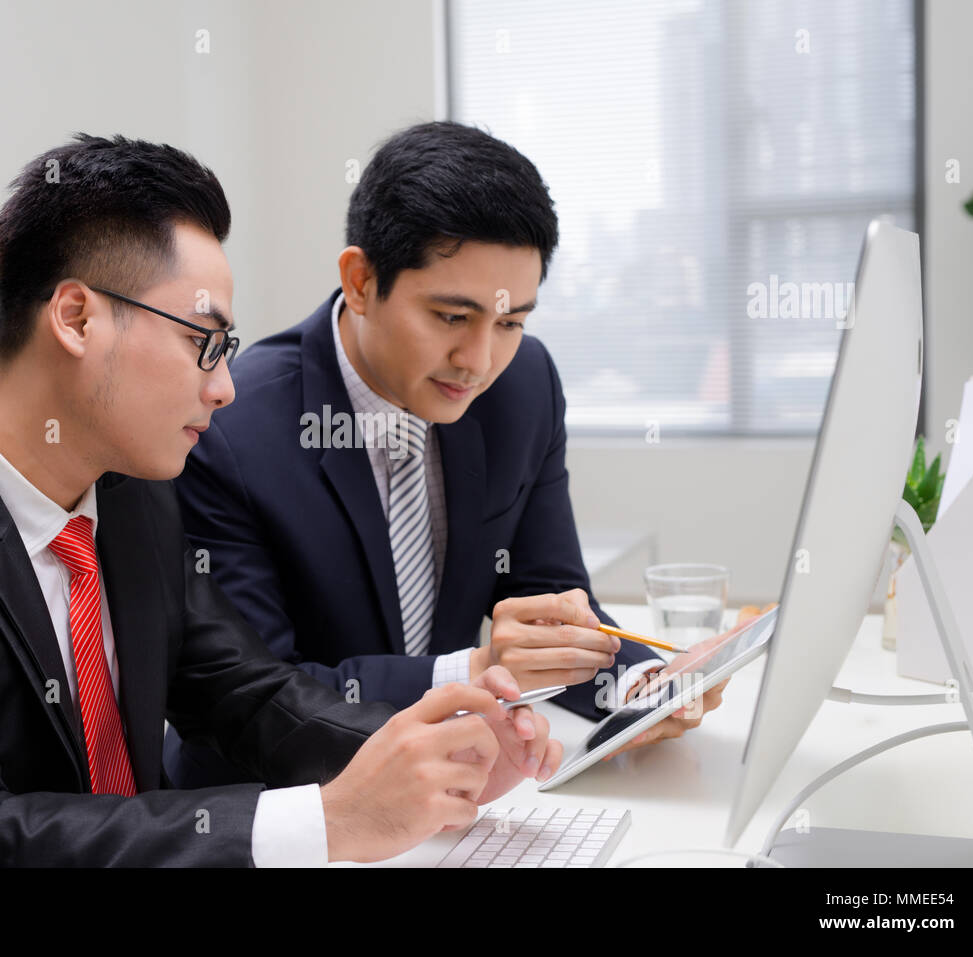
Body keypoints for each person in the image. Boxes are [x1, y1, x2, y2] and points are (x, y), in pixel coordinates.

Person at [0, 132, 559, 867]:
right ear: (76, 317)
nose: (226, 387)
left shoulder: (131, 499)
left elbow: (251, 697)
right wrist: (327, 820)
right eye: (201, 342)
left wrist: (442, 748)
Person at [168, 121, 729, 788]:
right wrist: (474, 669)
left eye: (512, 321)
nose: (480, 361)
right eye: (451, 318)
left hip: (449, 800)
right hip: (281, 805)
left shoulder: (523, 386)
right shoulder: (233, 426)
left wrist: (641, 684)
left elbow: (547, 597)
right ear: (359, 281)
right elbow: (256, 697)